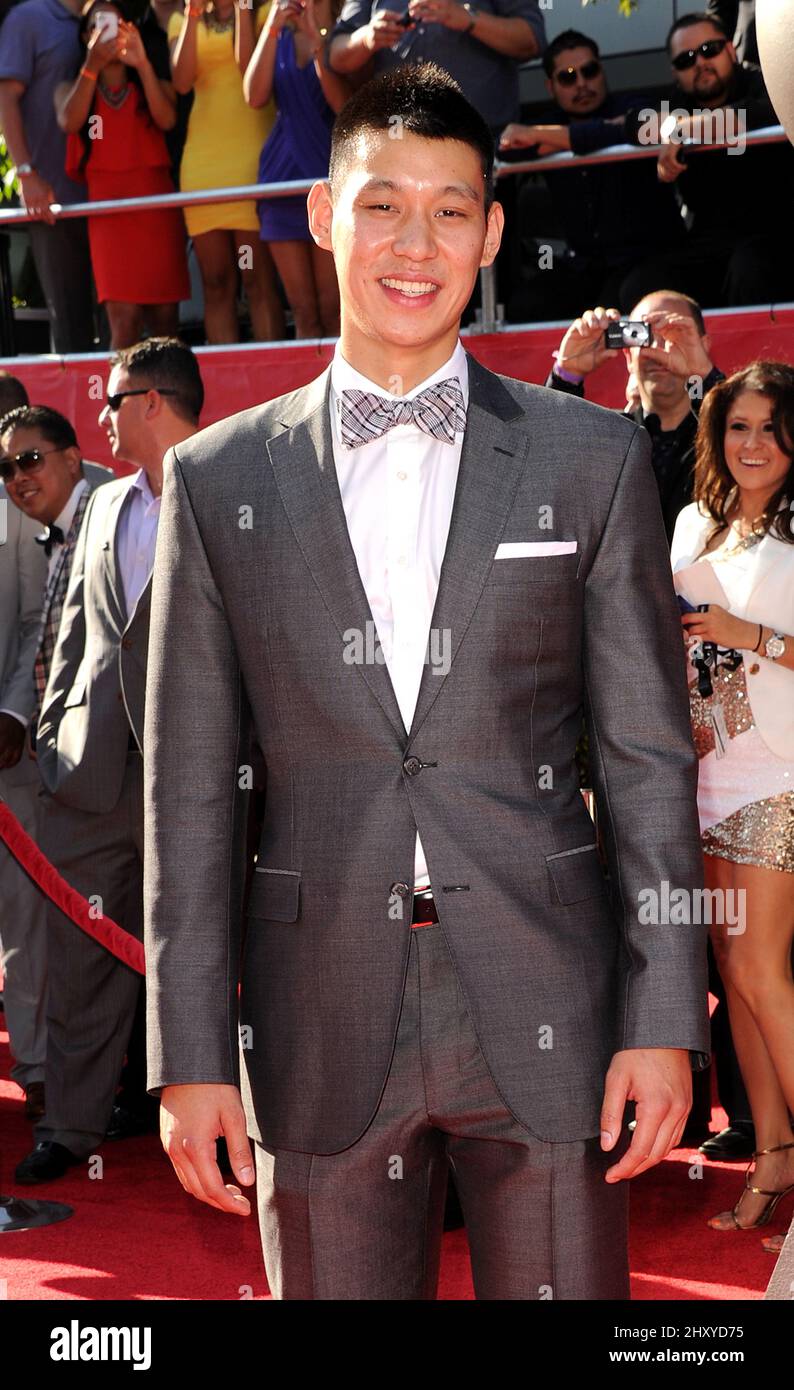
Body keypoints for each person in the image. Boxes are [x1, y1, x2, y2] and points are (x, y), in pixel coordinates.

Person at [144, 63, 709, 1301]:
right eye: (382, 204)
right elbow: (187, 793)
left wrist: (664, 1010)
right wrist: (189, 1052)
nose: (415, 242)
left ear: (492, 233)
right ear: (320, 214)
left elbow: (647, 761)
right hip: (313, 1013)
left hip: (547, 997)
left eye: (450, 210)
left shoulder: (594, 459)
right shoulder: (216, 479)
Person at [14, 338, 203, 1185]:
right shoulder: (97, 505)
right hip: (89, 775)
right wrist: (55, 726)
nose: (100, 415)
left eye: (114, 399)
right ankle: (72, 1125)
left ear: (154, 402)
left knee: (208, 953)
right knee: (84, 954)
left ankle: (226, 1124)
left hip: (195, 775)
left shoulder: (231, 486)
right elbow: (73, 629)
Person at [671, 360, 794, 1255]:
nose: (750, 444)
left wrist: (752, 635)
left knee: (760, 974)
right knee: (735, 981)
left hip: (779, 772)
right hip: (703, 768)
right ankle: (772, 1162)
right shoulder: (695, 520)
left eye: (768, 427)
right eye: (737, 426)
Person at [498, 30, 687, 323]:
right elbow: (508, 149)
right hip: (585, 264)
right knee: (527, 305)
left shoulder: (632, 106)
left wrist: (552, 139)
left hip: (649, 257)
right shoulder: (547, 123)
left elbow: (649, 123)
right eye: (568, 77)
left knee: (618, 302)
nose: (582, 83)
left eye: (590, 71)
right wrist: (593, 135)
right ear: (551, 86)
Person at [55, 3, 190, 349]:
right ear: (85, 35)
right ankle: (119, 401)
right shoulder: (69, 87)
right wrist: (92, 65)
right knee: (123, 324)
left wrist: (141, 62)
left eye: (116, 24)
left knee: (165, 327)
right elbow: (69, 121)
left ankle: (171, 400)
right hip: (108, 216)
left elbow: (167, 120)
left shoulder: (152, 79)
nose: (108, 33)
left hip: (155, 209)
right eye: (98, 25)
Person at [546, 291, 724, 545]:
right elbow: (545, 459)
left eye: (675, 333)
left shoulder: (729, 438)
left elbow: (747, 430)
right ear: (628, 355)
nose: (659, 350)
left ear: (704, 346)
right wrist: (567, 375)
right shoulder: (608, 437)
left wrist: (705, 374)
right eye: (643, 334)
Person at [168, 0, 284, 344]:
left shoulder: (265, 14)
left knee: (255, 279)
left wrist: (241, 9)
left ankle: (271, 384)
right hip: (203, 166)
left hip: (251, 160)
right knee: (216, 282)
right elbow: (181, 81)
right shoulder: (181, 19)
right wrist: (191, 13)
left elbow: (251, 76)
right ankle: (230, 388)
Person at [0, 405, 112, 726]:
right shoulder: (59, 531)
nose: (18, 478)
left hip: (112, 746)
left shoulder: (107, 520)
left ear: (72, 459)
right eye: (7, 470)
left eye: (30, 460)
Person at [244, 0, 349, 339]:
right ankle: (314, 394)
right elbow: (254, 96)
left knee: (334, 307)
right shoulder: (277, 36)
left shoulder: (344, 34)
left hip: (330, 178)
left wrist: (316, 42)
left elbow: (343, 107)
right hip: (281, 178)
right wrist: (272, 26)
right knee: (302, 309)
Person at [0, 0, 96, 353]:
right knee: (71, 328)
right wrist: (25, 174)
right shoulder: (28, 17)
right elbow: (5, 98)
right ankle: (80, 408)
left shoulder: (106, 14)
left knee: (123, 320)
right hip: (55, 201)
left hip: (114, 198)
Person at [0, 453, 47, 1122]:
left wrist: (13, 711)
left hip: (8, 754)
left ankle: (36, 1064)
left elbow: (38, 621)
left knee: (26, 913)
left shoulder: (17, 513)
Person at [328, 0, 545, 137]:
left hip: (483, 146)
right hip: (398, 143)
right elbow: (336, 56)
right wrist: (366, 38)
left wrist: (467, 18)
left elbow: (531, 41)